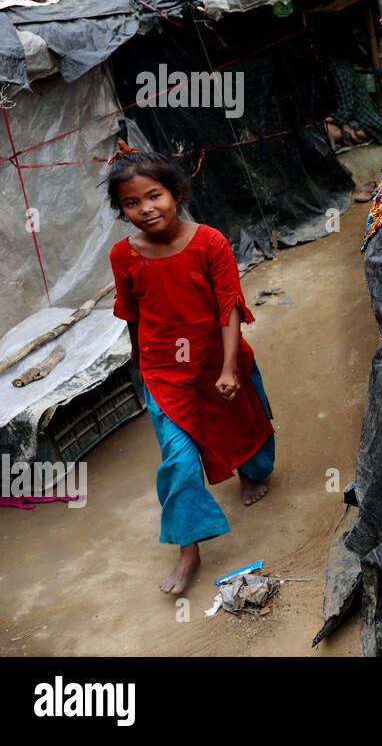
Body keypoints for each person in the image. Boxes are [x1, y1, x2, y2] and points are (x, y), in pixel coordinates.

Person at [104, 145, 275, 595]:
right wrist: (140, 366)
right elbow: (132, 316)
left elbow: (228, 307)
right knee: (177, 460)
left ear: (176, 193)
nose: (145, 209)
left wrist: (227, 368)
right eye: (131, 203)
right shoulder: (124, 256)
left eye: (154, 196)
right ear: (122, 211)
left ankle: (249, 469)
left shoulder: (210, 242)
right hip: (164, 371)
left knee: (238, 423)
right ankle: (188, 548)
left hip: (216, 358)